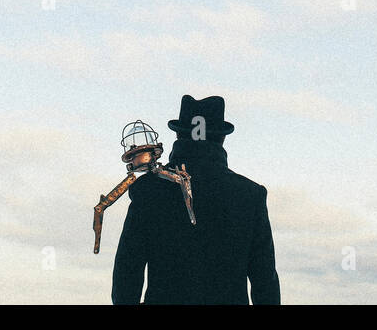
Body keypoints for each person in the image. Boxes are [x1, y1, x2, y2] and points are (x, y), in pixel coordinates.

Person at [112, 95, 280, 304]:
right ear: (221, 138)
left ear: (178, 135)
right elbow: (265, 284)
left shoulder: (148, 190)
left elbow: (127, 273)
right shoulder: (250, 195)